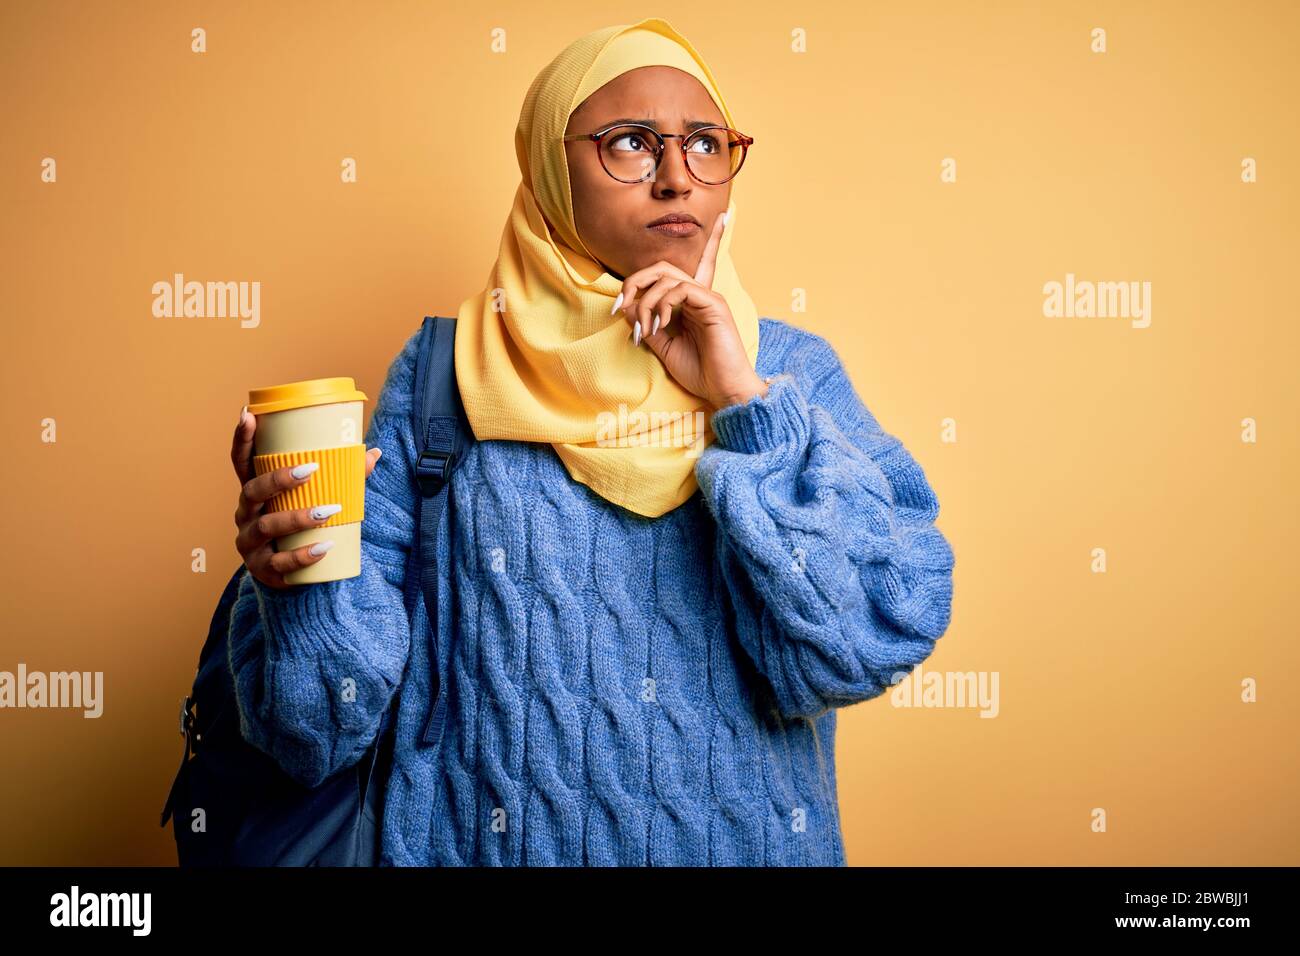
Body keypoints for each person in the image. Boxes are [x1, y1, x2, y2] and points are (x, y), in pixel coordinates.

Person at [227, 16, 955, 866]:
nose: (678, 177)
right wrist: (298, 585)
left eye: (707, 144)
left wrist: (740, 403)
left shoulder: (786, 373)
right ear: (546, 169)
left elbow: (869, 640)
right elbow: (315, 734)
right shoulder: (444, 378)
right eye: (632, 143)